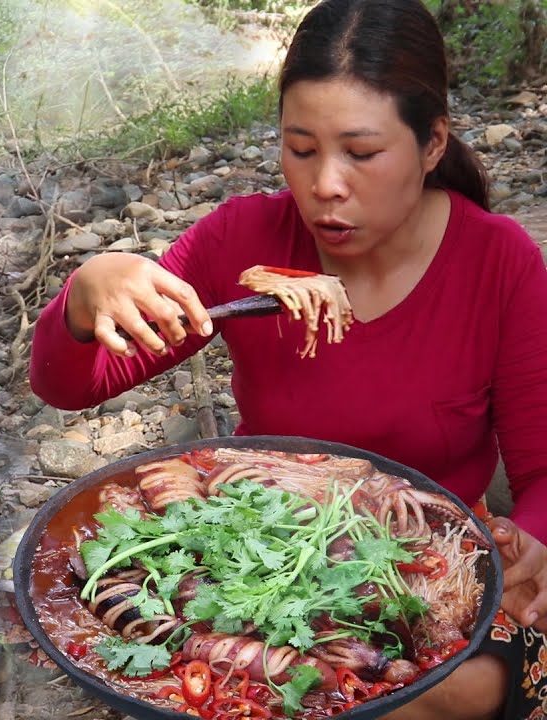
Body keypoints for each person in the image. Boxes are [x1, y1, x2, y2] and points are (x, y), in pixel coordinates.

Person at [29, 1, 547, 717]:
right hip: (249, 543)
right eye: (300, 149)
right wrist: (87, 298)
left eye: (362, 154)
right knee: (139, 631)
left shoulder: (498, 263)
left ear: (432, 145)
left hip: (420, 567)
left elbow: (542, 472)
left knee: (465, 688)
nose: (325, 185)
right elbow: (72, 385)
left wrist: (536, 544)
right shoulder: (241, 241)